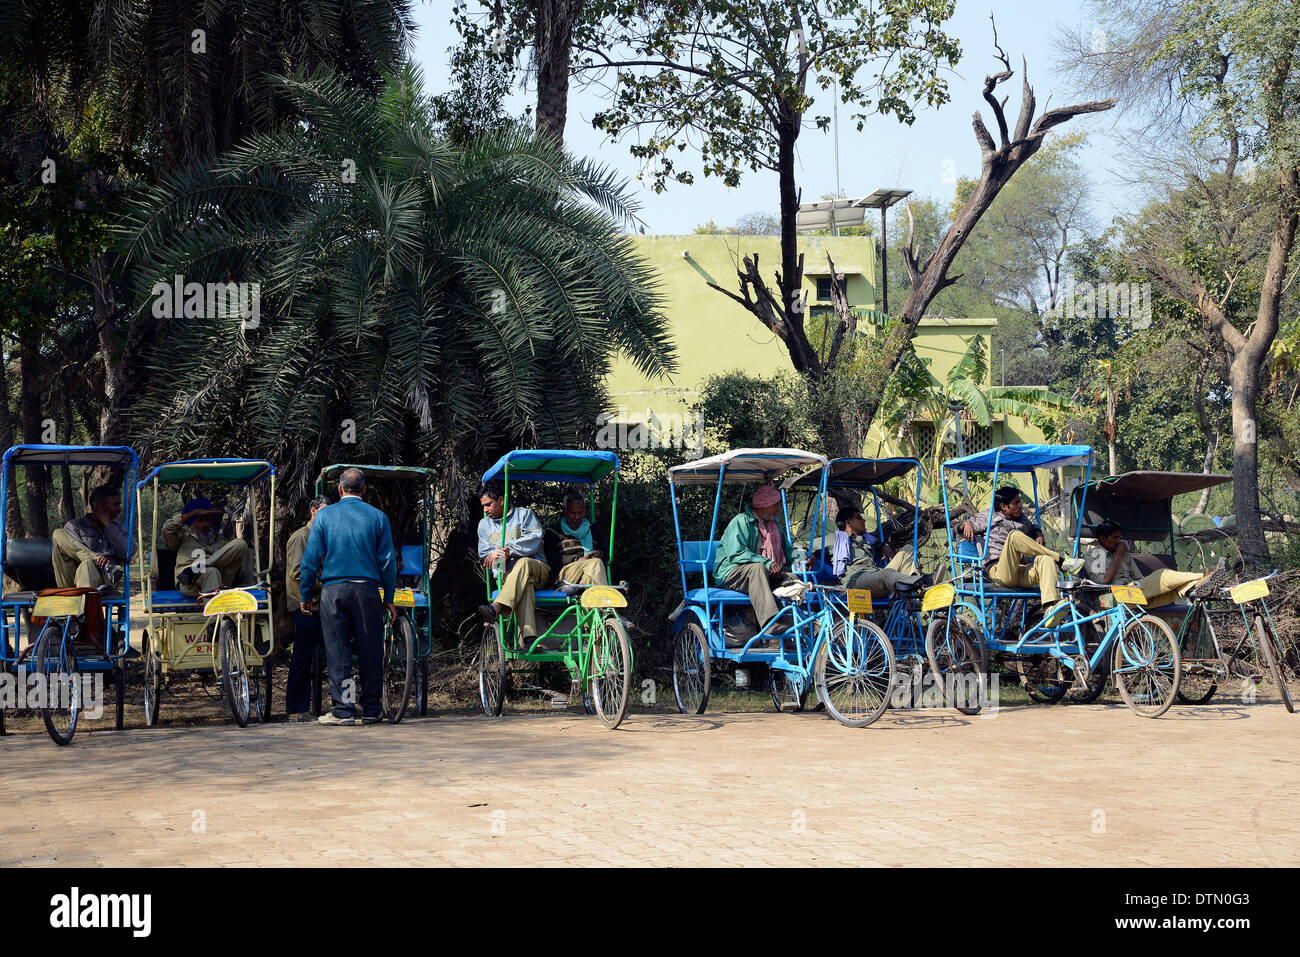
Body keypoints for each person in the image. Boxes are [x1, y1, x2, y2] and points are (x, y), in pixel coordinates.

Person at [299, 469, 397, 726]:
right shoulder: (378, 517)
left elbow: (309, 560)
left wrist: (305, 594)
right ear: (364, 490)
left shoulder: (325, 517)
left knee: (338, 651)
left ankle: (343, 711)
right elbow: (387, 562)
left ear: (340, 490)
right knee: (370, 649)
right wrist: (389, 596)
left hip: (333, 592)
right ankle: (371, 709)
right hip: (367, 591)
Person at [959, 486, 1083, 605]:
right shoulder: (989, 516)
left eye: (1020, 502)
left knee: (1045, 560)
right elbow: (957, 529)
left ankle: (1052, 607)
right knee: (1014, 536)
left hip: (1020, 572)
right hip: (1000, 573)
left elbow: (1033, 527)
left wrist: (1038, 533)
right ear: (1003, 506)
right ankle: (1061, 561)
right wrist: (966, 524)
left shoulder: (1021, 518)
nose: (1020, 506)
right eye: (1016, 503)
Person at [714, 483, 802, 631]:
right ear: (764, 506)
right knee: (757, 568)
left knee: (792, 578)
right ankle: (769, 624)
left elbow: (788, 551)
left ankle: (792, 633)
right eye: (775, 505)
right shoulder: (740, 521)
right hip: (731, 574)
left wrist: (802, 557)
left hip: (762, 576)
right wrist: (765, 561)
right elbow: (736, 554)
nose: (778, 509)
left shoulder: (775, 527)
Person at [475, 480, 552, 648]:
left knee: (523, 563)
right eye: (483, 506)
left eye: (488, 505)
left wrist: (509, 550)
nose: (485, 510)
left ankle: (497, 607)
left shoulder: (525, 515)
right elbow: (484, 553)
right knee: (524, 584)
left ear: (501, 500)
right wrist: (492, 554)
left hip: (536, 568)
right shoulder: (484, 525)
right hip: (507, 576)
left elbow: (534, 539)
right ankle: (529, 639)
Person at [1083, 519, 1229, 607]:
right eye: (1114, 538)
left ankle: (1198, 587)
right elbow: (1103, 582)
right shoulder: (1096, 554)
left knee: (1174, 590)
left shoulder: (1122, 552)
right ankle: (1205, 575)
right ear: (1102, 538)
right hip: (1116, 595)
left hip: (1135, 593)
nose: (1119, 541)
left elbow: (1138, 578)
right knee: (1162, 574)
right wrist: (1118, 558)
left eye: (1120, 537)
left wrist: (1145, 585)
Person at [284, 495, 329, 721]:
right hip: (306, 605)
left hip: (323, 604)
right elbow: (298, 574)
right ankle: (295, 708)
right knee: (302, 655)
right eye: (323, 511)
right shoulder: (301, 537)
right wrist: (329, 582)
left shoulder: (324, 537)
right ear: (313, 511)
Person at [161, 497, 250, 596]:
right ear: (192, 524)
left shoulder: (221, 542)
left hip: (220, 581)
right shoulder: (182, 540)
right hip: (190, 583)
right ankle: (214, 610)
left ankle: (194, 569)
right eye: (201, 520)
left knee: (241, 543)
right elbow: (168, 528)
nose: (206, 524)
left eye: (208, 519)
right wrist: (193, 513)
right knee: (212, 571)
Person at [832, 506, 926, 597]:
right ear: (848, 523)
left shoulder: (868, 539)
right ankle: (921, 583)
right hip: (857, 581)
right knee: (886, 574)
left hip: (876, 576)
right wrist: (815, 555)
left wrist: (883, 545)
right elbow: (816, 546)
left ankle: (911, 585)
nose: (864, 520)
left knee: (908, 549)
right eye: (859, 518)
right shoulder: (834, 539)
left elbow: (878, 545)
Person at [52, 485, 132, 589]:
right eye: (115, 504)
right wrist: (97, 559)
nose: (119, 509)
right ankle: (103, 565)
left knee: (87, 565)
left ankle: (99, 566)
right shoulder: (75, 526)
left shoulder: (118, 529)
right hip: (71, 580)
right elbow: (73, 552)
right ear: (100, 506)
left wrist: (107, 525)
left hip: (102, 580)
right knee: (57, 533)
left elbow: (129, 552)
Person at [544, 492, 608, 586]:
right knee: (595, 563)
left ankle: (594, 598)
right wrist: (577, 559)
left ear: (585, 511)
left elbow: (607, 555)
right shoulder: (553, 532)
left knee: (591, 574)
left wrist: (600, 554)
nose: (577, 517)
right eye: (573, 513)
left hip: (591, 571)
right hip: (566, 575)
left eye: (580, 512)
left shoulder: (593, 529)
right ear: (565, 511)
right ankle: (604, 597)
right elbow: (551, 558)